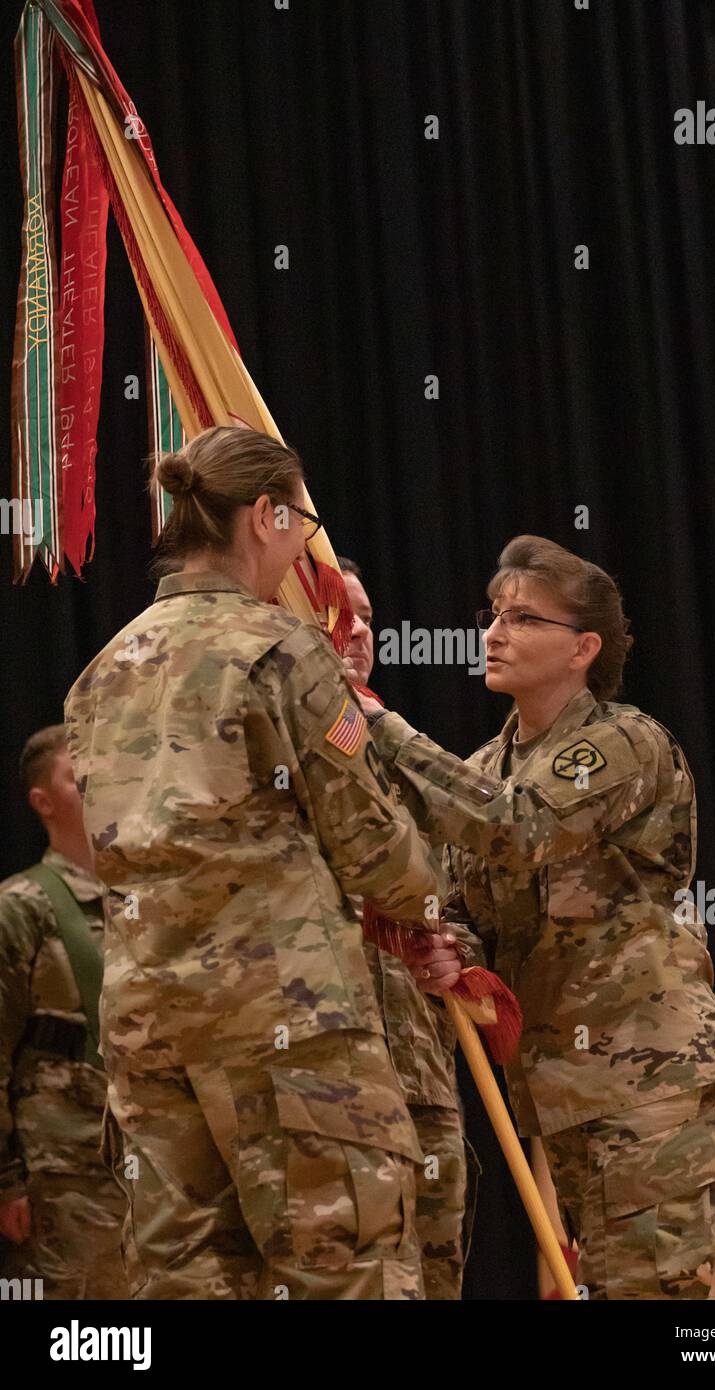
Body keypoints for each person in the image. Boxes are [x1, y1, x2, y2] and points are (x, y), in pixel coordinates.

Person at [64, 425, 444, 1300]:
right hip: (289, 1016)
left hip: (149, 1025)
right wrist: (429, 899)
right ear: (267, 517)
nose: (305, 551)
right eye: (303, 526)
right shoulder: (283, 650)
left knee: (185, 1286)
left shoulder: (102, 669)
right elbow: (373, 846)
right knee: (348, 1271)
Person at [355, 535, 715, 1300]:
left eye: (522, 618)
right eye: (493, 614)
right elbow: (468, 902)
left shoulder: (623, 741)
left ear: (583, 648)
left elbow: (521, 829)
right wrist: (453, 949)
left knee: (670, 1298)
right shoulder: (480, 769)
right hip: (561, 1090)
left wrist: (380, 724)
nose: (495, 632)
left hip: (652, 1081)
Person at [337, 555, 477, 1300]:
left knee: (436, 1278)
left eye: (367, 617)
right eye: (340, 613)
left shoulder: (402, 756)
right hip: (332, 1077)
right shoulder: (280, 748)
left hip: (424, 1069)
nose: (358, 631)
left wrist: (458, 953)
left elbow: (460, 906)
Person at [0, 726, 127, 1299]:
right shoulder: (20, 906)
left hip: (155, 1165)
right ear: (43, 803)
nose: (99, 785)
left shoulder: (148, 901)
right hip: (62, 1175)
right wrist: (5, 1181)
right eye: (79, 779)